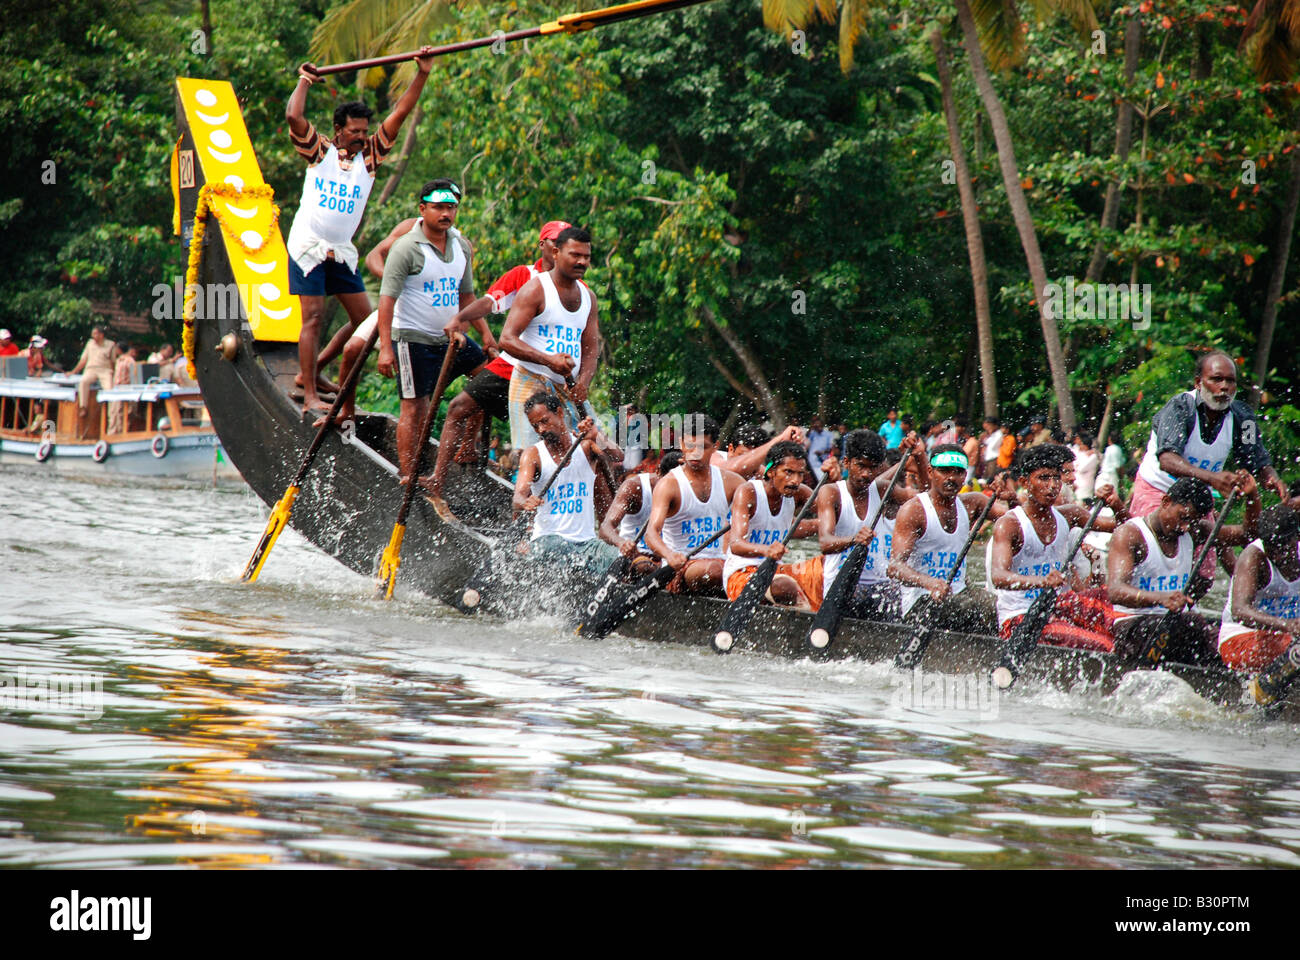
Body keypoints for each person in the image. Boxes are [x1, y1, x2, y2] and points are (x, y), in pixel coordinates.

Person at [285, 47, 436, 415]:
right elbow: (294, 115)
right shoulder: (318, 151)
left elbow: (400, 113)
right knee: (314, 317)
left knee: (364, 322)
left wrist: (423, 73)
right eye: (354, 132)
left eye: (363, 132)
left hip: (341, 248)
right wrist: (305, 80)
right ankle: (308, 395)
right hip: (308, 246)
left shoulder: (370, 156)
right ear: (338, 130)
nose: (360, 137)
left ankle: (314, 371)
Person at [425, 220, 573, 507]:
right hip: (514, 362)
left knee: (544, 442)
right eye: (554, 241)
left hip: (550, 375)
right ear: (543, 245)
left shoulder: (575, 287)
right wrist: (460, 318)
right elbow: (490, 301)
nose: (559, 247)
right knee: (458, 407)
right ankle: (438, 480)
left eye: (564, 242)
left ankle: (535, 509)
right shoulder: (523, 275)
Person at [376, 180, 485, 483]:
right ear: (423, 209)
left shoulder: (461, 246)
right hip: (412, 340)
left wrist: (487, 337)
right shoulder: (406, 248)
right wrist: (386, 348)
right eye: (438, 207)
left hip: (450, 339)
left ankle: (466, 447)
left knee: (488, 377)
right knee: (414, 407)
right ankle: (409, 474)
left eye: (451, 207)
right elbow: (387, 302)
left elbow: (467, 298)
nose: (446, 213)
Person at [987, 444, 1128, 651]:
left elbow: (1128, 530)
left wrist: (1115, 503)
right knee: (1104, 645)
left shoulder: (1069, 514)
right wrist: (1042, 581)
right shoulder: (1009, 524)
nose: (1053, 485)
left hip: (1059, 606)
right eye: (1044, 478)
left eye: (1055, 478)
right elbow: (999, 576)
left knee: (1114, 599)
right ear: (1025, 482)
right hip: (1021, 616)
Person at [1107, 475, 1261, 664]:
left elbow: (1247, 535)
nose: (1185, 527)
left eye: (1192, 522)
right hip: (1134, 625)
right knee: (1191, 623)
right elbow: (1115, 590)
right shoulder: (1131, 534)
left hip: (1181, 625)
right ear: (1166, 501)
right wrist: (1161, 599)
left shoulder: (1194, 530)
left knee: (1232, 645)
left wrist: (1252, 496)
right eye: (1183, 518)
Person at [1133, 351, 1288, 514]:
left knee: (1205, 538)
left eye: (1230, 381)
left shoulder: (1244, 417)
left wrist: (1272, 478)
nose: (1224, 387)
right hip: (1157, 489)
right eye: (1216, 379)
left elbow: (1256, 461)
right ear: (1198, 383)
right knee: (1160, 537)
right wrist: (1212, 479)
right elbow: (1167, 460)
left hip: (1198, 497)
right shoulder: (1180, 407)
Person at [888, 444, 1015, 633]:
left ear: (965, 476)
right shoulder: (914, 510)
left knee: (1001, 607)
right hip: (922, 599)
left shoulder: (973, 503)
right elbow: (895, 568)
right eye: (944, 471)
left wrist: (1012, 497)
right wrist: (929, 582)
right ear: (930, 472)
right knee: (970, 609)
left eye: (957, 473)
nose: (951, 478)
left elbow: (1019, 521)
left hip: (959, 593)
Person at [500, 226, 601, 452]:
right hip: (531, 379)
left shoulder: (589, 298)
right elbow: (506, 340)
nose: (582, 262)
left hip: (569, 386)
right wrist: (548, 360)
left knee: (599, 445)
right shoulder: (536, 289)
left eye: (586, 257)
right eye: (575, 255)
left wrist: (583, 382)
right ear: (556, 253)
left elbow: (591, 351)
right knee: (531, 454)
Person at [815, 431, 926, 621]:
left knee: (893, 597)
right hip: (843, 586)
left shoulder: (882, 489)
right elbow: (825, 542)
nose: (866, 474)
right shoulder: (831, 492)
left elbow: (926, 497)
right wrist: (853, 539)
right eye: (860, 466)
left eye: (873, 468)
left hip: (879, 587)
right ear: (847, 463)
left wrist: (920, 456)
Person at [513, 394, 619, 574]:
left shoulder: (586, 446)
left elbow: (618, 456)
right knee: (559, 548)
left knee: (619, 560)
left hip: (586, 544)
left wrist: (596, 435)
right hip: (548, 542)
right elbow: (518, 497)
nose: (541, 430)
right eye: (535, 426)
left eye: (544, 421)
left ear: (560, 413)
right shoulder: (533, 454)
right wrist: (525, 502)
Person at [645, 416, 746, 595]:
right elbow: (651, 534)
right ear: (681, 443)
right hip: (681, 568)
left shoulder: (732, 482)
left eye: (703, 447)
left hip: (720, 563)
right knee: (715, 571)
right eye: (689, 446)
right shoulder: (669, 484)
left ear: (715, 447)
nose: (695, 453)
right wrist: (669, 555)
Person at [720, 441, 822, 609]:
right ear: (771, 471)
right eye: (788, 472)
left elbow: (834, 513)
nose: (795, 481)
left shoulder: (800, 493)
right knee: (784, 587)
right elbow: (736, 544)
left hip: (776, 571)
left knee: (825, 569)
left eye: (800, 474)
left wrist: (833, 479)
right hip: (742, 573)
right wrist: (766, 550)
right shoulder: (748, 492)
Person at [1217, 504, 1300, 670]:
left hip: (1289, 639)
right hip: (1241, 638)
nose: (1277, 554)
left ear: (1297, 536)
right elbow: (1240, 611)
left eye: (1283, 547)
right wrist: (1286, 625)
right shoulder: (1253, 558)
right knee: (1295, 650)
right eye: (1271, 547)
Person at [600, 448, 683, 576]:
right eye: (668, 484)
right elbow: (605, 528)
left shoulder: (690, 489)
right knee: (644, 567)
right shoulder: (634, 488)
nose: (671, 491)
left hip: (671, 559)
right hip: (637, 558)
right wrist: (621, 543)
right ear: (657, 472)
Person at [70, 326, 117, 412]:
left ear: (101, 335)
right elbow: (83, 360)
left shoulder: (111, 345)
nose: (93, 336)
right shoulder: (90, 344)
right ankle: (83, 407)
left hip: (105, 370)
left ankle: (111, 412)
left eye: (95, 334)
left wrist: (114, 374)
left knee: (109, 388)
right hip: (91, 369)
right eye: (93, 334)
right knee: (83, 382)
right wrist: (73, 371)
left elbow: (113, 362)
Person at [108, 342, 138, 434]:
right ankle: (113, 432)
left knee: (122, 411)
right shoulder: (119, 360)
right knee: (114, 411)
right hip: (117, 388)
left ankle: (121, 432)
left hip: (125, 388)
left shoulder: (130, 361)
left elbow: (134, 375)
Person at [1072, 430, 1099, 502]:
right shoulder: (1082, 454)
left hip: (1086, 483)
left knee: (1083, 501)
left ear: (1086, 445)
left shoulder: (1093, 456)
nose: (1080, 446)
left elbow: (1081, 468)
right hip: (1078, 481)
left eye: (1082, 444)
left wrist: (1077, 466)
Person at [805, 415, 835, 481]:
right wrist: (812, 427)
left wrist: (821, 452)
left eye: (820, 425)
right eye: (816, 426)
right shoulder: (813, 434)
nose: (819, 427)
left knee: (821, 481)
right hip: (811, 462)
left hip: (822, 462)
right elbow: (806, 437)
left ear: (823, 425)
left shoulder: (828, 434)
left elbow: (831, 448)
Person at [979, 416, 1004, 481]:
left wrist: (989, 435)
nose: (988, 427)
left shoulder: (999, 434)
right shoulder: (991, 435)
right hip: (988, 460)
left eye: (989, 425)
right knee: (984, 478)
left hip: (994, 459)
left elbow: (993, 446)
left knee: (990, 478)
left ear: (995, 425)